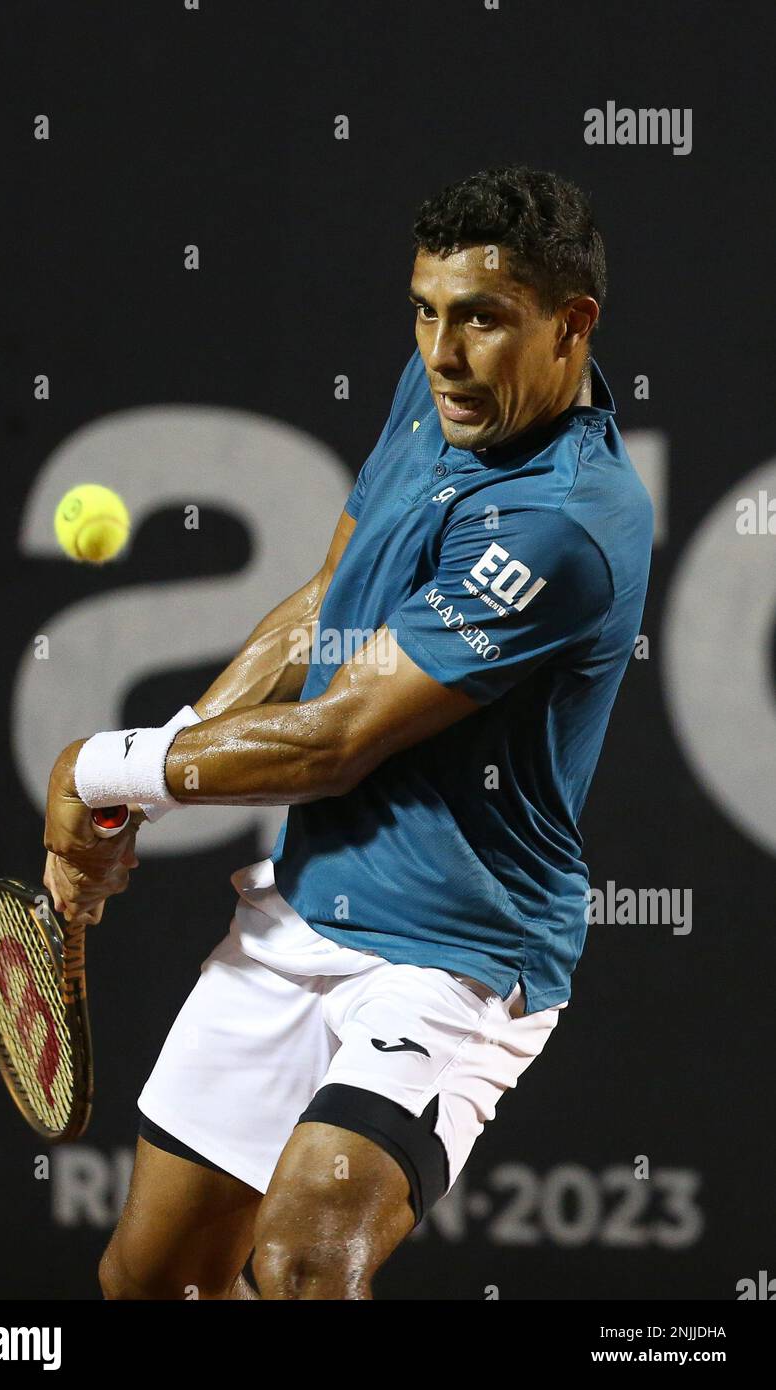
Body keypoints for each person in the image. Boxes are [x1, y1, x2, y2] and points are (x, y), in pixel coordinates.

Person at [43, 165, 653, 1300]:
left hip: (456, 961)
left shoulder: (565, 523)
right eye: (424, 311)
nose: (442, 350)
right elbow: (326, 604)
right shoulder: (435, 396)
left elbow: (332, 740)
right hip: (302, 911)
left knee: (305, 1262)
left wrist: (100, 767)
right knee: (151, 1281)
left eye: (481, 318)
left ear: (572, 325)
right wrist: (152, 768)